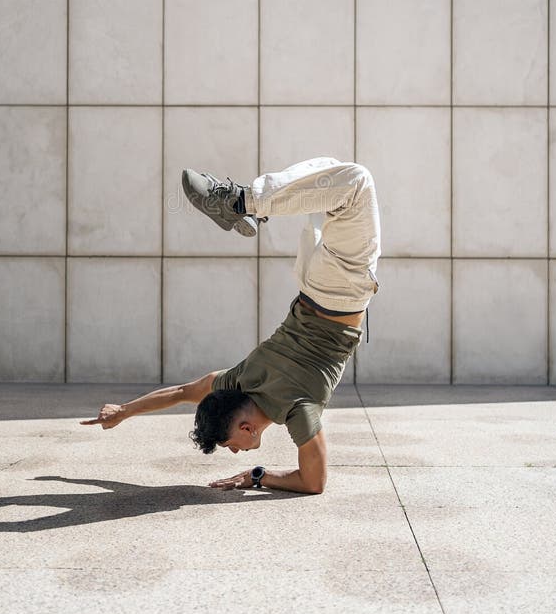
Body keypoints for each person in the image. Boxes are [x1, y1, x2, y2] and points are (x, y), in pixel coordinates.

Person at [81, 157, 381, 496]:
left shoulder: (298, 411)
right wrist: (123, 411)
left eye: (230, 444)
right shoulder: (236, 381)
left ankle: (239, 201)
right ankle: (250, 207)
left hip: (341, 291)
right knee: (326, 174)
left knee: (355, 183)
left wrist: (258, 475)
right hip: (313, 280)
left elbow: (313, 482)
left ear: (247, 427)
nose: (235, 451)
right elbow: (182, 393)